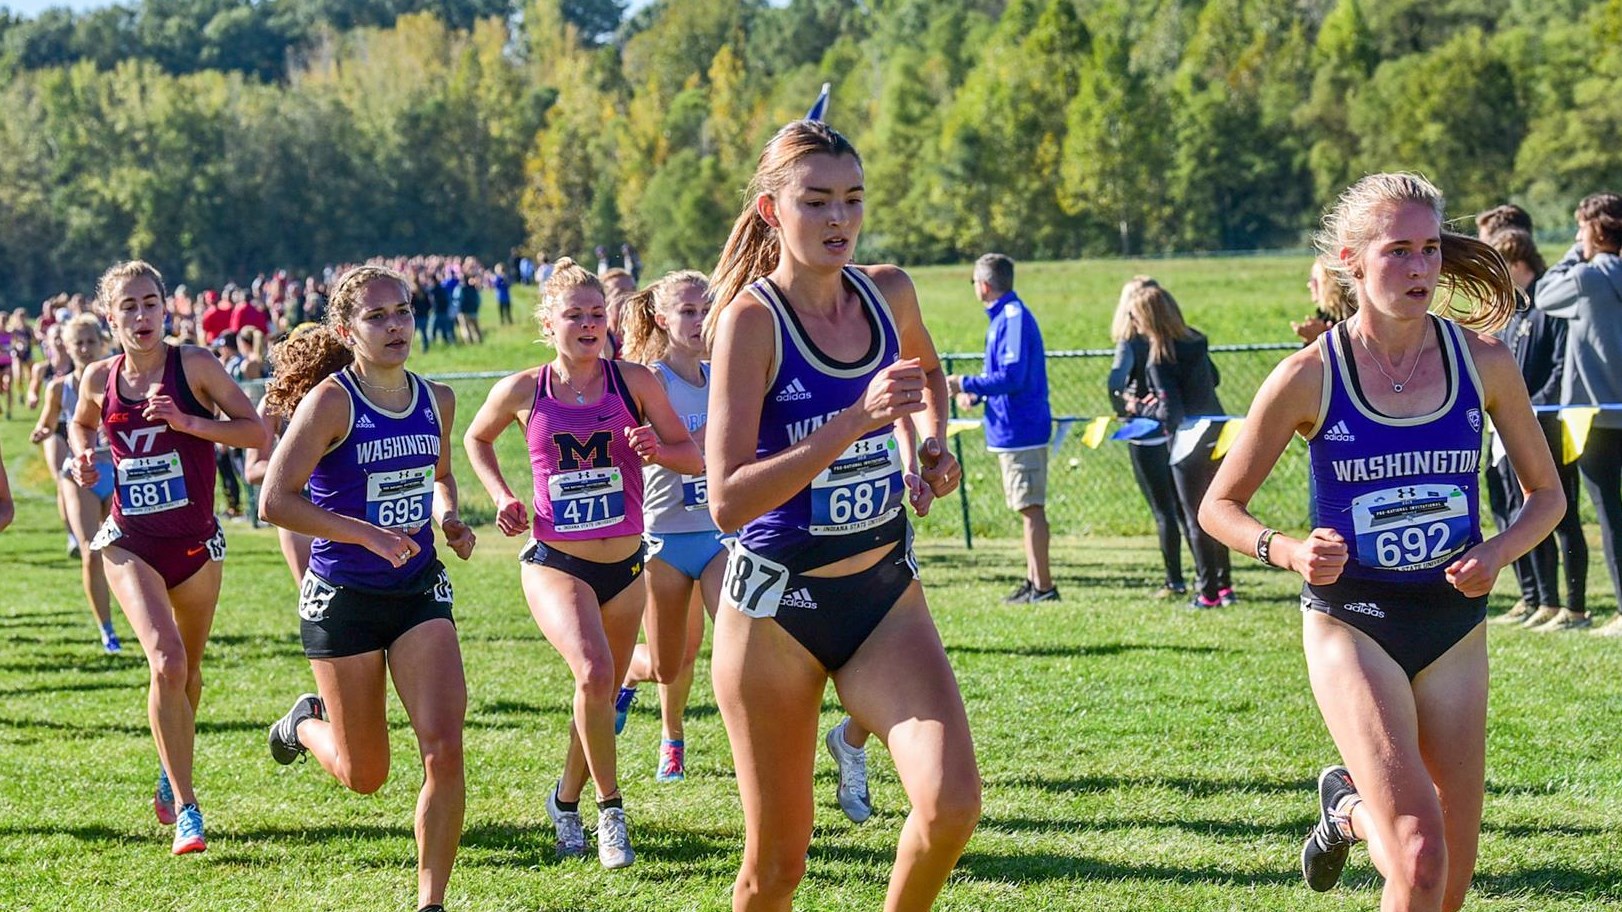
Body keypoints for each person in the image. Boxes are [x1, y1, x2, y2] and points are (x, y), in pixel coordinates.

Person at [1198, 173, 1562, 910]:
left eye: (1430, 249)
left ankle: (1346, 810)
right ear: (1351, 261)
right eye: (1399, 251)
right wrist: (1289, 550)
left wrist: (1497, 552)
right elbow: (1219, 506)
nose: (1422, 268)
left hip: (1453, 626)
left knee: (1446, 883)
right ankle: (1357, 809)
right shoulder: (1308, 375)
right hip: (1352, 622)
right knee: (1420, 855)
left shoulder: (1484, 362)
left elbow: (1547, 496)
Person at [704, 119, 979, 912]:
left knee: (951, 802)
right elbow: (727, 499)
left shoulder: (888, 291)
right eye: (817, 201)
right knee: (776, 872)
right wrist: (852, 423)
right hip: (773, 611)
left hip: (883, 596)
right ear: (770, 212)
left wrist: (930, 445)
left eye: (852, 200)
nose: (839, 219)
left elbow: (927, 368)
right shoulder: (750, 323)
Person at [464, 258, 701, 869]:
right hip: (556, 561)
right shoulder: (525, 388)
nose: (589, 324)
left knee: (593, 691)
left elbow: (694, 455)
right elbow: (476, 438)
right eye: (575, 315)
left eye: (598, 315)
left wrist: (659, 449)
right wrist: (502, 496)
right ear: (550, 323)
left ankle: (563, 802)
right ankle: (610, 812)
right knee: (597, 674)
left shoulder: (636, 383)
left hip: (625, 567)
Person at [259, 266, 474, 912]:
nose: (395, 326)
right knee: (366, 775)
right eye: (377, 317)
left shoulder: (436, 399)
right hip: (344, 597)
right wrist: (362, 533)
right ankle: (302, 726)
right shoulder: (332, 401)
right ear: (346, 329)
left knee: (445, 746)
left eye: (403, 312)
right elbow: (274, 500)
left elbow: (439, 477)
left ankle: (431, 902)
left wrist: (450, 517)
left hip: (417, 590)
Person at [69, 260, 269, 855]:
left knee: (189, 674)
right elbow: (81, 426)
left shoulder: (196, 365)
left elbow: (254, 432)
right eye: (128, 306)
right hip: (130, 542)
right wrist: (81, 458)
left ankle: (169, 764)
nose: (141, 315)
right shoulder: (98, 377)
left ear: (166, 309)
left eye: (150, 302)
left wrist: (186, 420)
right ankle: (188, 807)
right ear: (112, 318)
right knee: (166, 661)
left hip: (196, 545)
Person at [610, 270, 724, 782]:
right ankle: (662, 723)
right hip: (663, 537)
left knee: (746, 641)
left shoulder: (724, 372)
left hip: (722, 533)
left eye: (706, 309)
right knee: (667, 663)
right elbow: (617, 438)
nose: (700, 321)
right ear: (662, 318)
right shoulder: (651, 380)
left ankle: (757, 747)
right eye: (688, 312)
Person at [1482, 229, 1588, 631]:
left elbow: (1563, 367)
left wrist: (1529, 411)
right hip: (1511, 428)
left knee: (1561, 516)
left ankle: (1573, 606)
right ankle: (1543, 601)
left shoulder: (1551, 305)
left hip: (1547, 425)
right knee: (1521, 515)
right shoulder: (1514, 311)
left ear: (1514, 261)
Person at [1114, 276, 1234, 609]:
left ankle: (1207, 592)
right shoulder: (1196, 340)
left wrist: (1139, 406)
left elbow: (1172, 413)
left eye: (1136, 318)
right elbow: (1214, 378)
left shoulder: (1158, 358)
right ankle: (1225, 586)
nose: (1133, 325)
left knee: (1194, 515)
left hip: (1187, 442)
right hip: (1219, 431)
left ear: (1148, 318)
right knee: (1220, 509)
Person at [1535, 191, 1622, 637]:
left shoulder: (1589, 278)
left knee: (1609, 515)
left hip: (1591, 416)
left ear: (1597, 230)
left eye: (1580, 227)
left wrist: (1576, 252)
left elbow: (1545, 295)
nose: (1575, 235)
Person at [946, 253, 1056, 603]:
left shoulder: (1012, 318)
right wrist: (976, 396)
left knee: (1031, 508)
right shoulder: (1004, 318)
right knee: (1026, 507)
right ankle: (1033, 580)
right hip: (1011, 427)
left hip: (1021, 428)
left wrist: (964, 383)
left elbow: (1011, 377)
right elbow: (1004, 378)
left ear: (984, 285)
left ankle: (1044, 587)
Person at [32, 314, 121, 653]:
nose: (84, 349)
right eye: (77, 343)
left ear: (102, 343)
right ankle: (107, 631)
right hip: (79, 473)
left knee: (127, 550)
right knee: (91, 553)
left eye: (90, 341)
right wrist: (41, 432)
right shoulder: (60, 387)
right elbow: (48, 422)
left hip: (117, 471)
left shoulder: (117, 379)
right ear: (67, 348)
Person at [1109, 290, 1189, 599]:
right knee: (1184, 509)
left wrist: (1127, 405)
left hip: (1147, 431)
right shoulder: (1179, 341)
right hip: (1180, 432)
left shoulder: (1132, 344)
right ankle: (1209, 582)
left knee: (1164, 511)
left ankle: (1175, 580)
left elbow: (1114, 383)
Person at [1292, 260, 1359, 345]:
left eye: (1313, 279)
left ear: (1331, 282)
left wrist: (1321, 339)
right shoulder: (1325, 316)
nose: (1309, 284)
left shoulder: (1351, 321)